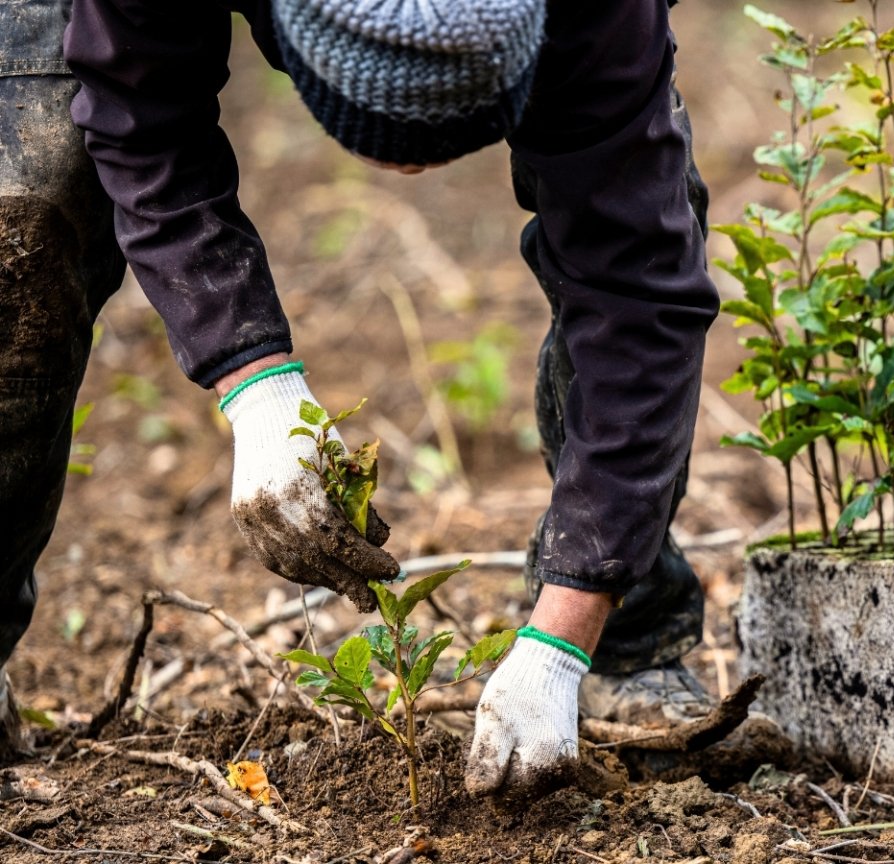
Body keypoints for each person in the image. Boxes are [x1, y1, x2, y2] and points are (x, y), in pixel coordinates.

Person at [0, 0, 721, 794]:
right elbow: (140, 114)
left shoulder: (602, 18)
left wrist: (562, 645)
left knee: (649, 207)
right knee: (19, 222)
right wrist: (258, 391)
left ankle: (628, 634)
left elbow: (639, 294)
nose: (411, 174)